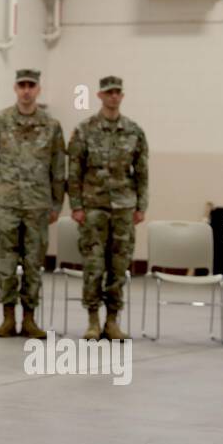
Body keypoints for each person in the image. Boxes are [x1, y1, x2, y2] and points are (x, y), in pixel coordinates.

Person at [0, 68, 65, 338]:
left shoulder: (51, 126)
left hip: (38, 205)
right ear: (15, 88)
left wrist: (56, 205)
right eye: (22, 85)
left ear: (38, 90)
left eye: (31, 85)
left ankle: (29, 318)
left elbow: (58, 169)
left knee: (33, 265)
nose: (26, 90)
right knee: (6, 262)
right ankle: (7, 318)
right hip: (5, 203)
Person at [67, 76, 147, 341]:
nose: (113, 97)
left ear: (122, 96)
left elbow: (142, 173)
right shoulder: (84, 130)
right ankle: (92, 320)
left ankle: (112, 320)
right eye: (109, 93)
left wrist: (141, 206)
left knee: (118, 265)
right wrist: (76, 206)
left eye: (118, 93)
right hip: (93, 207)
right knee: (93, 265)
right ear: (100, 96)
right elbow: (74, 172)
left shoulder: (134, 131)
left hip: (124, 207)